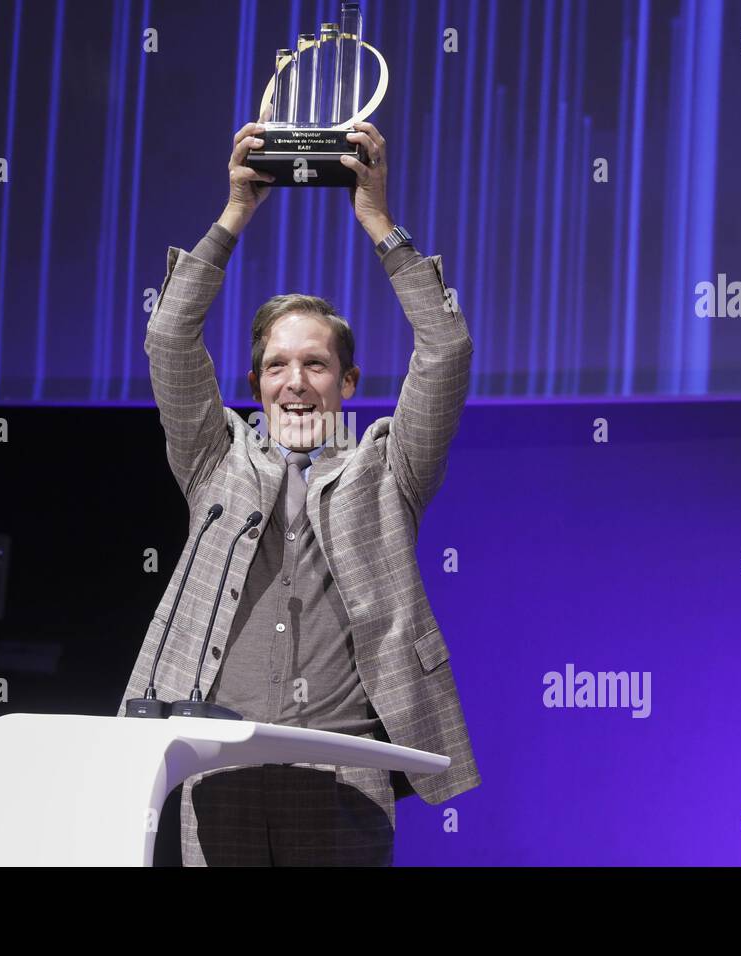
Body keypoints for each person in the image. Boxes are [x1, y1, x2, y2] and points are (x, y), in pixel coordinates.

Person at [117, 115, 480, 866]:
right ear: (254, 385)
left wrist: (379, 221)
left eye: (316, 365)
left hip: (342, 774)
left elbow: (445, 351)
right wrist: (234, 213)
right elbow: (169, 340)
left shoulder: (389, 468)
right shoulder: (213, 456)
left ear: (348, 382)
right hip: (216, 767)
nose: (296, 383)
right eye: (278, 367)